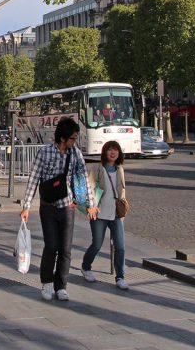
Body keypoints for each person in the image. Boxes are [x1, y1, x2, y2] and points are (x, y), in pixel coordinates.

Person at [21, 117, 96, 301]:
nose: (75, 141)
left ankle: (61, 286)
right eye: (72, 138)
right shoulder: (44, 152)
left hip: (68, 206)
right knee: (51, 246)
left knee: (65, 249)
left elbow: (83, 179)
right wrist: (26, 206)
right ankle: (46, 283)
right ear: (63, 138)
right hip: (48, 206)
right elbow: (34, 178)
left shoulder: (76, 153)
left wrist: (90, 203)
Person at [81, 141, 129, 290]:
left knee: (120, 246)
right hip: (99, 212)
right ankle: (86, 267)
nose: (112, 152)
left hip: (116, 214)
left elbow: (122, 191)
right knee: (97, 244)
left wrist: (123, 208)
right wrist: (91, 206)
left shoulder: (120, 168)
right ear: (104, 152)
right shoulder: (97, 168)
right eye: (109, 150)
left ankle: (120, 276)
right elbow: (89, 187)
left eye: (115, 150)